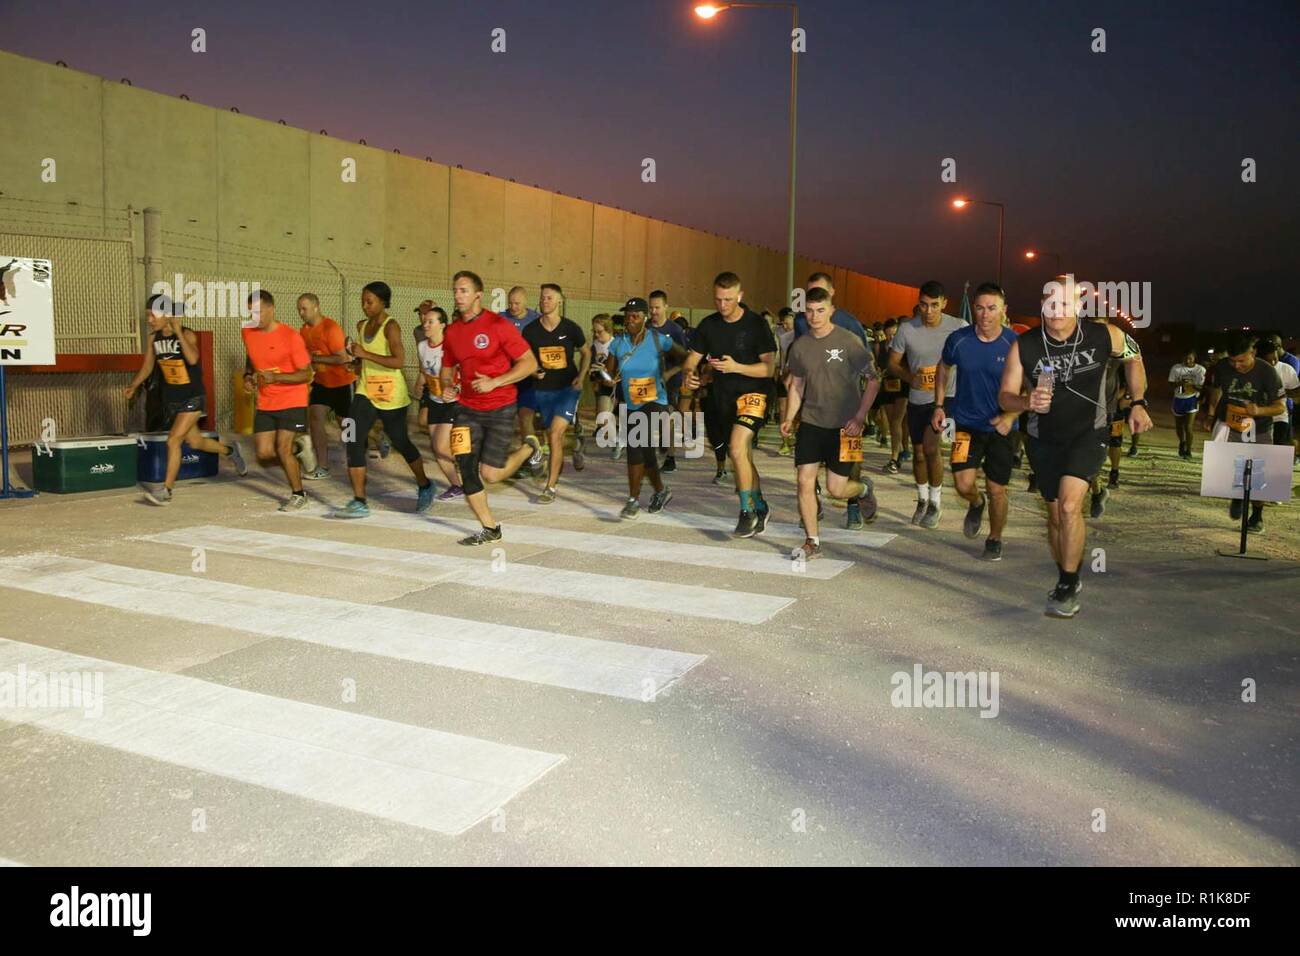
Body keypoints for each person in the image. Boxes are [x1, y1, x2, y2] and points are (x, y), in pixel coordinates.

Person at [999, 275, 1152, 617]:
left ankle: (1068, 583)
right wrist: (1025, 403)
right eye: (1051, 303)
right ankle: (1065, 567)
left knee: (1070, 507)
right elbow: (1005, 395)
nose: (1057, 310)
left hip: (1089, 432)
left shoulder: (1104, 335)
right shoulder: (1024, 346)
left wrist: (1138, 401)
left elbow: (1134, 357)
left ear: (1079, 306)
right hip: (1043, 438)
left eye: (1065, 303)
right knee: (1055, 517)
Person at [439, 270, 543, 545]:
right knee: (466, 466)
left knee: (491, 474)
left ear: (478, 295)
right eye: (455, 291)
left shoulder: (498, 325)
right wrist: (447, 386)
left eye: (463, 290)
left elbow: (529, 363)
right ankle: (490, 528)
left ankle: (529, 447)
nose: (458, 295)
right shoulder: (452, 332)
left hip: (500, 406)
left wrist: (496, 381)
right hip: (466, 408)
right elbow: (447, 368)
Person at [782, 286, 880, 560]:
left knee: (836, 489)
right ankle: (812, 541)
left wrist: (860, 416)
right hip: (812, 422)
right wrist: (790, 417)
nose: (814, 316)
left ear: (831, 311)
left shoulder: (848, 341)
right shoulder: (800, 347)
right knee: (804, 481)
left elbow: (873, 380)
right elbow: (797, 385)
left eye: (820, 310)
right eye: (810, 311)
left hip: (846, 426)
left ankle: (863, 489)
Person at [125, 294, 246, 504]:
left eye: (152, 315)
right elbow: (147, 367)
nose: (150, 320)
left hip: (193, 397)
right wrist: (133, 386)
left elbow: (192, 358)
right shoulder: (154, 339)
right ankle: (230, 450)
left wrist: (178, 331)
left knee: (174, 440)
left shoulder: (187, 334)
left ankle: (166, 490)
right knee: (196, 441)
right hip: (173, 400)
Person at [682, 272, 778, 538]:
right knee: (742, 455)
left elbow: (768, 369)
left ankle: (746, 512)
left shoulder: (756, 325)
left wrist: (736, 366)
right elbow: (691, 360)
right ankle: (760, 505)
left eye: (728, 299)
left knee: (736, 448)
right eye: (718, 299)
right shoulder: (708, 325)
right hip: (723, 400)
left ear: (740, 296)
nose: (722, 305)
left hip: (754, 396)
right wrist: (689, 375)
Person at [930, 282, 1019, 560]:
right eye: (980, 308)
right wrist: (939, 405)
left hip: (1001, 427)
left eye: (992, 308)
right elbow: (943, 368)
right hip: (966, 424)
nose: (985, 314)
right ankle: (976, 503)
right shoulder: (958, 340)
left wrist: (1010, 416)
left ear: (1003, 310)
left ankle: (994, 538)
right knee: (963, 484)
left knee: (997, 488)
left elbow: (1030, 390)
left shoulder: (1015, 343)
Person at [335, 282, 435, 517]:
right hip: (366, 391)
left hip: (391, 395)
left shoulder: (391, 327)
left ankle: (425, 484)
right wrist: (356, 364)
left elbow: (398, 361)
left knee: (401, 442)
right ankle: (359, 500)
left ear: (383, 302)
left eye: (369, 301)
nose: (365, 305)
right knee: (353, 437)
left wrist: (364, 354)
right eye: (363, 301)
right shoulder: (361, 325)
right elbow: (364, 360)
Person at [889, 282, 965, 528]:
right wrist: (911, 378)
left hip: (947, 398)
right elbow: (892, 363)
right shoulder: (906, 329)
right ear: (918, 303)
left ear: (944, 303)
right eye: (924, 304)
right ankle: (922, 499)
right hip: (917, 399)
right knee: (919, 454)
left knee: (932, 449)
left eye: (934, 305)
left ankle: (935, 503)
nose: (929, 310)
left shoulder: (958, 327)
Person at [605, 297, 687, 518]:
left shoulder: (659, 340)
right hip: (632, 403)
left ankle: (632, 500)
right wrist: (605, 377)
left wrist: (669, 373)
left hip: (655, 401)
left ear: (644, 319)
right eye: (627, 316)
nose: (630, 320)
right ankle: (661, 490)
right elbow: (609, 372)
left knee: (635, 445)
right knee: (646, 452)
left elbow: (686, 358)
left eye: (635, 316)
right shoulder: (618, 342)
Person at [239, 289, 314, 511]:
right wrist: (248, 377)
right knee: (263, 454)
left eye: (259, 312)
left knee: (282, 449)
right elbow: (252, 358)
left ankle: (299, 494)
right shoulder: (247, 332)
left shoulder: (291, 337)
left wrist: (276, 377)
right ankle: (299, 450)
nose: (255, 317)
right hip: (266, 400)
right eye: (251, 312)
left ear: (271, 310)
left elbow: (307, 374)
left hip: (293, 398)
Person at [1202, 333, 1285, 533]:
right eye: (1233, 361)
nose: (1237, 366)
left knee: (1259, 477)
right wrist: (1211, 414)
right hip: (1229, 424)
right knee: (1227, 467)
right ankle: (1237, 496)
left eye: (1241, 361)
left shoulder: (1267, 372)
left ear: (1253, 352)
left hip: (1259, 427)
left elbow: (1280, 407)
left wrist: (1259, 411)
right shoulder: (1222, 367)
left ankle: (1256, 515)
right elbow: (1216, 390)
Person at [522, 283, 590, 503]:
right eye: (542, 298)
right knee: (550, 435)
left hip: (567, 389)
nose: (544, 301)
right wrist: (533, 372)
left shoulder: (571, 328)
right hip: (543, 391)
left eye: (549, 298)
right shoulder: (531, 330)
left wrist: (581, 375)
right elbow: (524, 358)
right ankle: (578, 442)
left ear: (560, 301)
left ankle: (550, 487)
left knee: (554, 435)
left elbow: (586, 352)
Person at [297, 292, 353, 481]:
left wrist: (315, 358)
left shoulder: (331, 327)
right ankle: (323, 466)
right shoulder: (303, 331)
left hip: (343, 383)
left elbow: (342, 358)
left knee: (347, 425)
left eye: (304, 308)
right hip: (321, 383)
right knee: (315, 417)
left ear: (316, 307)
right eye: (299, 309)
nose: (301, 312)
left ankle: (364, 449)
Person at [414, 302, 464, 501]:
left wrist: (457, 389)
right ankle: (456, 485)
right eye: (425, 321)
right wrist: (420, 384)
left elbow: (465, 372)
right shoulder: (422, 346)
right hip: (434, 399)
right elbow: (424, 370)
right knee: (437, 448)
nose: (425, 325)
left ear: (442, 325)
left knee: (442, 446)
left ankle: (468, 470)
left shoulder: (452, 347)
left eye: (430, 321)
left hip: (453, 402)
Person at [647, 290, 690, 472]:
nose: (654, 311)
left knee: (668, 417)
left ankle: (670, 457)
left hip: (670, 381)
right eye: (651, 307)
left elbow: (685, 360)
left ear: (666, 306)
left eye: (657, 307)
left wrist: (669, 373)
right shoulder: (646, 327)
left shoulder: (675, 331)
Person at [503, 286, 543, 454]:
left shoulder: (538, 320)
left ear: (526, 302)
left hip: (529, 376)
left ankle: (532, 455)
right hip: (506, 376)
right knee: (506, 419)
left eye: (517, 303)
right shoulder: (500, 319)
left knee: (527, 417)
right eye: (510, 303)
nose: (513, 307)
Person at [877, 317, 911, 472]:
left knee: (897, 421)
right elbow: (878, 365)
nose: (891, 338)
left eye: (894, 334)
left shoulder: (906, 346)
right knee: (892, 422)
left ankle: (894, 458)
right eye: (888, 335)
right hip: (887, 385)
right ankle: (898, 452)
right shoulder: (880, 347)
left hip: (903, 386)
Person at [1258, 339, 1299, 450]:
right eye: (1267, 361)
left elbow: (1296, 393)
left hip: (1280, 416)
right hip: (1257, 417)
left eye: (1275, 359)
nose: (1272, 363)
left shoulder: (1286, 369)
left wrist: (1282, 392)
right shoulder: (1254, 369)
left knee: (1279, 447)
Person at [1168, 349, 1206, 459]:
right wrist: (1180, 383)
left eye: (1190, 358)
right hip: (1178, 399)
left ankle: (1188, 450)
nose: (1187, 360)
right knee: (1179, 426)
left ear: (1194, 358)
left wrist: (1192, 385)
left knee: (1188, 427)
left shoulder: (1200, 370)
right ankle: (1182, 442)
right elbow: (1170, 384)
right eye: (1185, 358)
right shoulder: (1176, 368)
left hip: (1192, 399)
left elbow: (1203, 387)